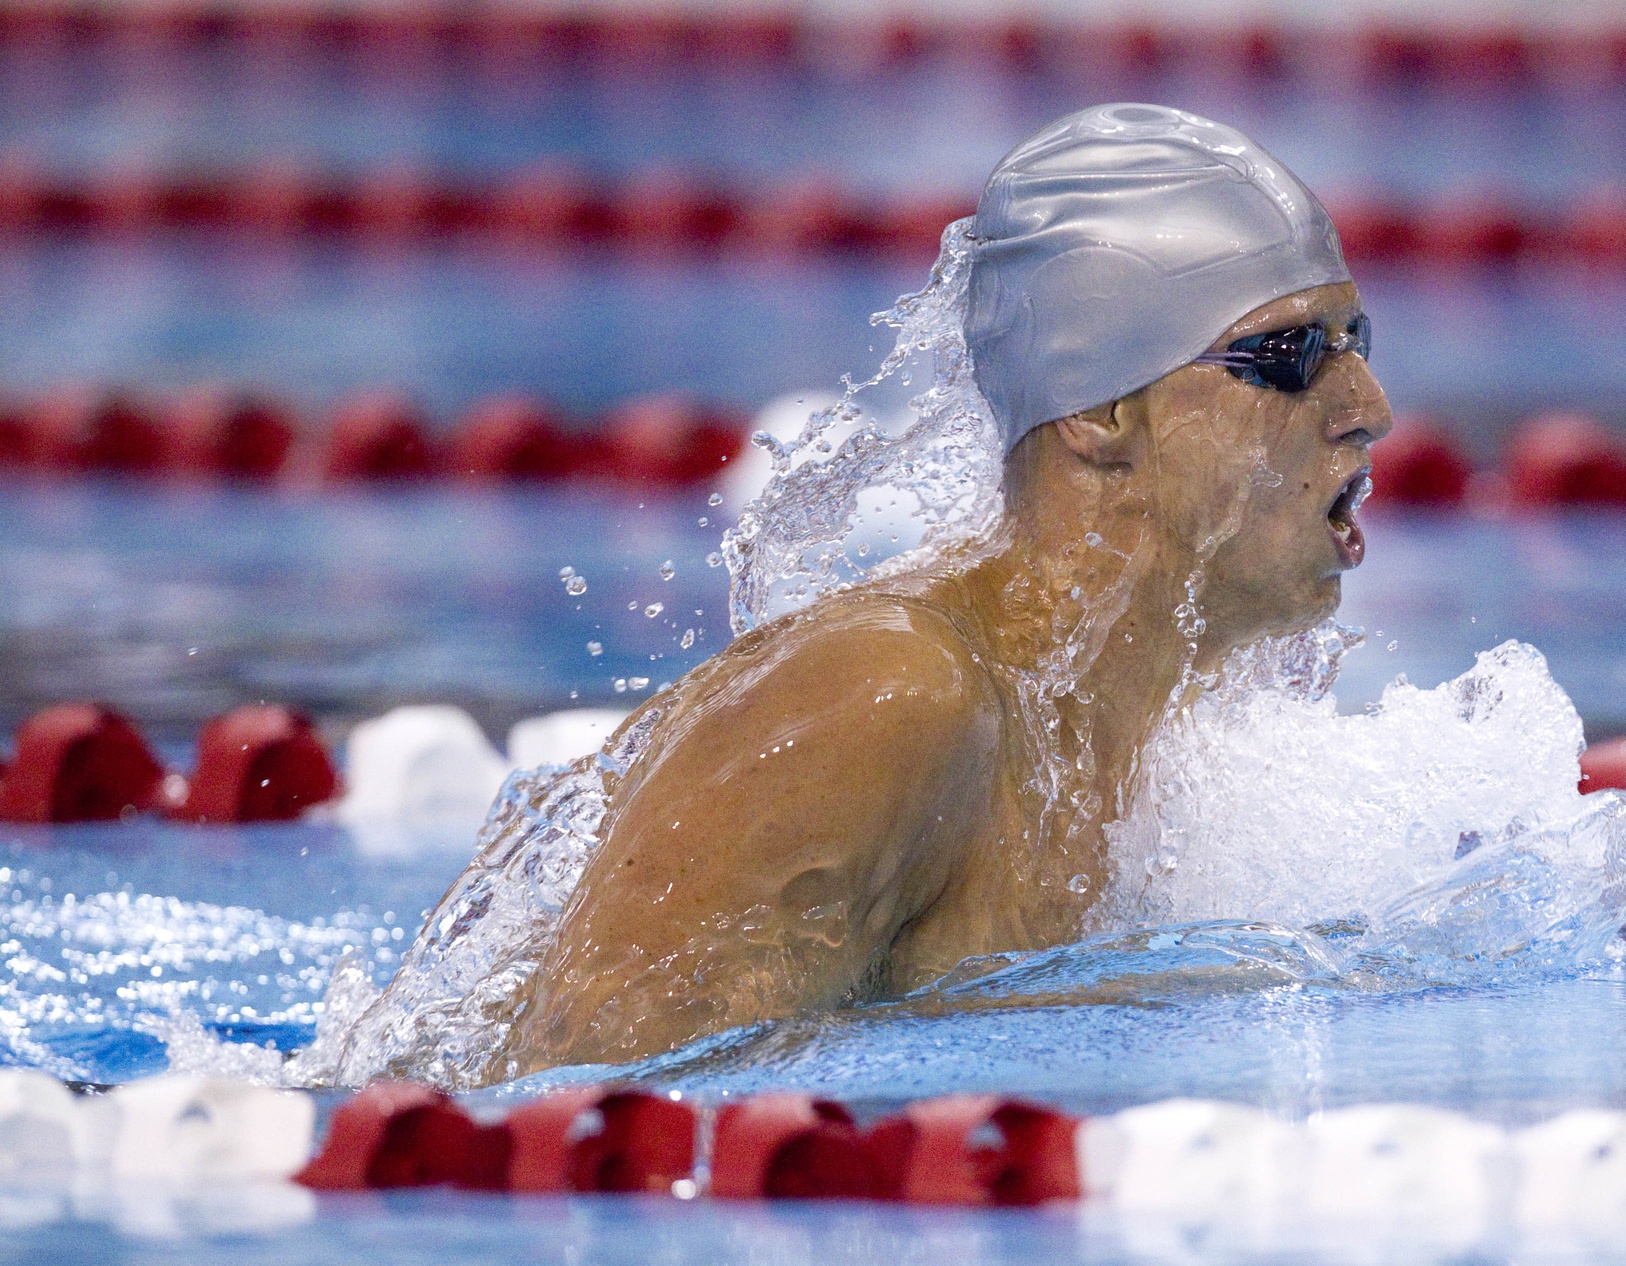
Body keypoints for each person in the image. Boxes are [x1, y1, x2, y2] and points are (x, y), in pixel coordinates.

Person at [500, 103, 1393, 1074]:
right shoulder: (889, 703)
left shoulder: (1152, 723)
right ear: (1099, 410)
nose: (1368, 411)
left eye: (1359, 342)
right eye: (1291, 358)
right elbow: (584, 1132)